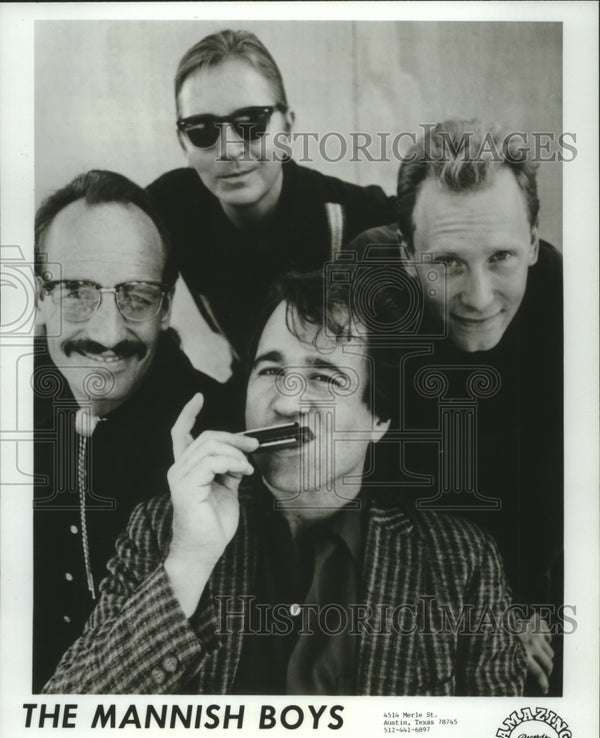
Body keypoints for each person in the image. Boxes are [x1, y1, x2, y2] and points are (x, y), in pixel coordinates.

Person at [43, 272, 526, 695]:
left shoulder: (463, 566)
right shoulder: (160, 530)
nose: (287, 403)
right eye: (271, 370)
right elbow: (65, 722)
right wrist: (190, 559)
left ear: (379, 417)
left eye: (326, 378)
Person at [346, 119, 563, 694]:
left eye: (502, 258)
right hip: (415, 550)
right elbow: (379, 478)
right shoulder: (368, 287)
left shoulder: (567, 303)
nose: (479, 298)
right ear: (406, 253)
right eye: (447, 264)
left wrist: (522, 605)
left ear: (535, 241)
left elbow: (553, 484)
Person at [33, 170, 231, 691]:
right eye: (76, 292)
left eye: (137, 297)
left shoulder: (216, 430)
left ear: (165, 309)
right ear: (39, 298)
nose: (107, 333)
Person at [147, 28, 397, 368]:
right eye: (201, 130)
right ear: (183, 144)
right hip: (242, 399)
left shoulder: (355, 213)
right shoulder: (169, 207)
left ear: (288, 128)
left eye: (250, 123)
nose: (230, 151)